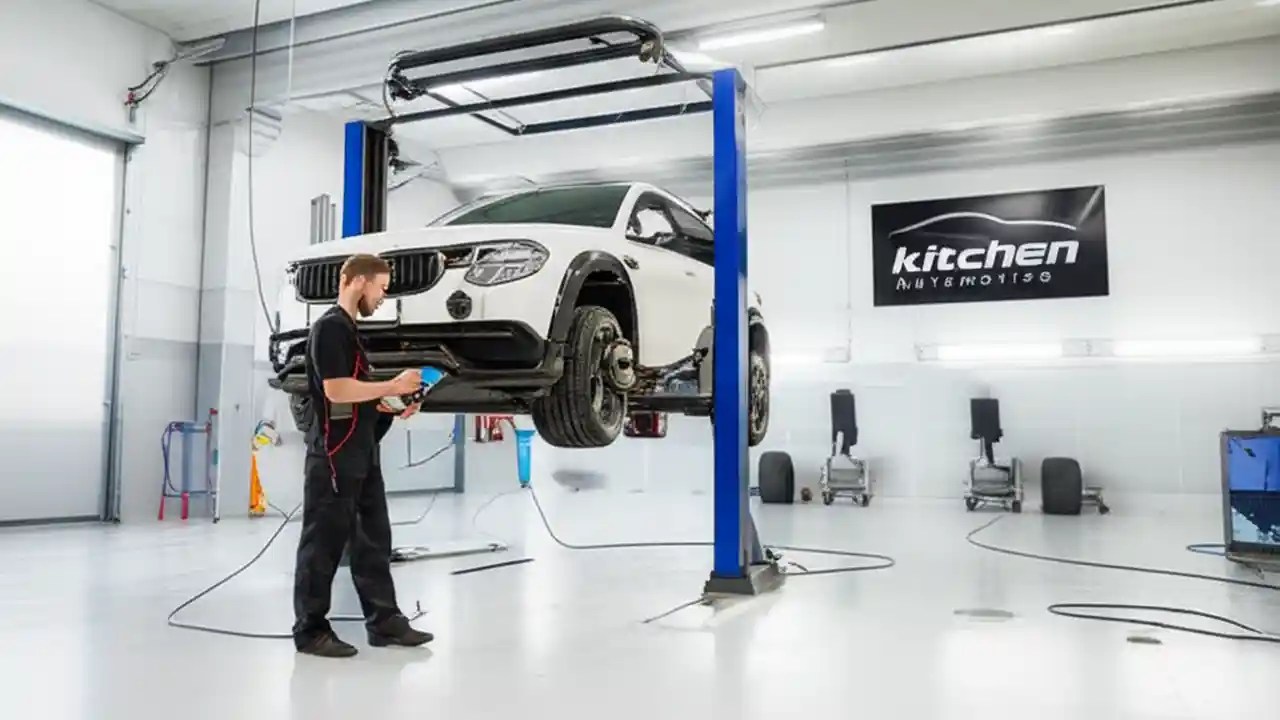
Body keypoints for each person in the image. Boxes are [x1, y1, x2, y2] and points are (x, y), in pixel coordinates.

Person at [292, 253, 433, 658]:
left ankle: (385, 622)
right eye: (381, 288)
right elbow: (336, 390)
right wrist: (392, 384)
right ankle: (310, 631)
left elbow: (355, 398)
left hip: (362, 452)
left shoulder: (350, 332)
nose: (383, 297)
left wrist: (392, 403)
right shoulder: (330, 328)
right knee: (323, 545)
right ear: (358, 281)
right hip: (334, 457)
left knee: (373, 541)